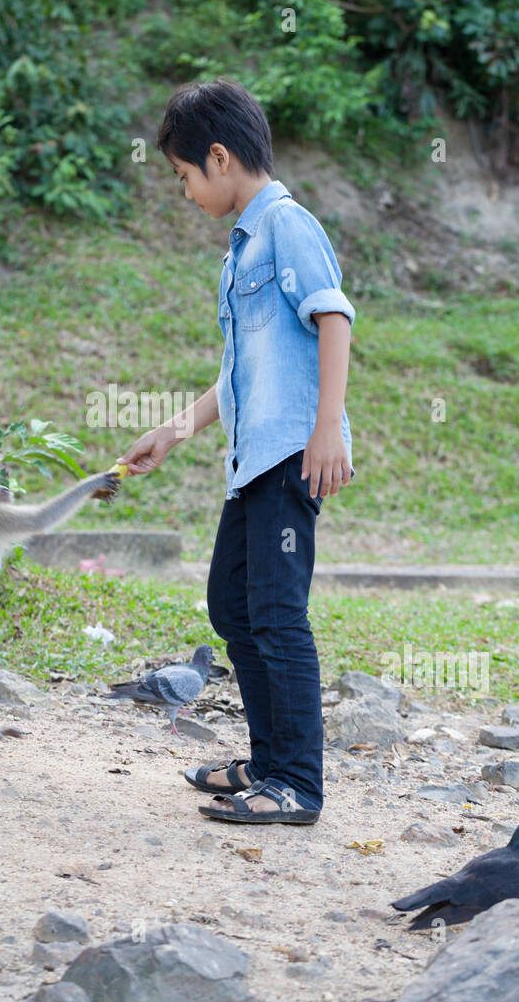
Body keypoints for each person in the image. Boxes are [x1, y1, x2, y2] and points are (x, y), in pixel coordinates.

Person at [118, 78, 355, 825]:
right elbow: (238, 373)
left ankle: (298, 785)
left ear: (219, 158)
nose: (184, 191)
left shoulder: (287, 225)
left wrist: (327, 427)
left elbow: (334, 320)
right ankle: (267, 760)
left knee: (277, 613)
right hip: (252, 463)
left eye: (184, 176)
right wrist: (175, 430)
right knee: (231, 603)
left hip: (291, 455)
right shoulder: (239, 251)